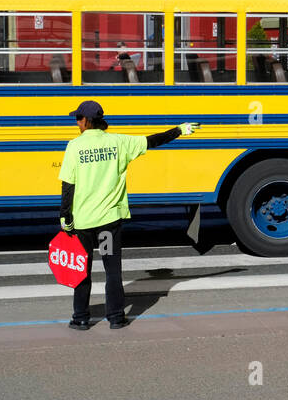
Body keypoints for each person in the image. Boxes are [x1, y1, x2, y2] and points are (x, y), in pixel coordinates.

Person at [59, 100, 199, 330]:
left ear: (85, 121)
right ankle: (116, 317)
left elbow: (68, 185)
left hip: (82, 222)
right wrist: (179, 130)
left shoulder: (74, 146)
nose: (76, 122)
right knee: (112, 270)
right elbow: (153, 141)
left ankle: (81, 318)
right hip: (109, 221)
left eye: (77, 118)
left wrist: (65, 217)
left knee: (81, 270)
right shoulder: (119, 142)